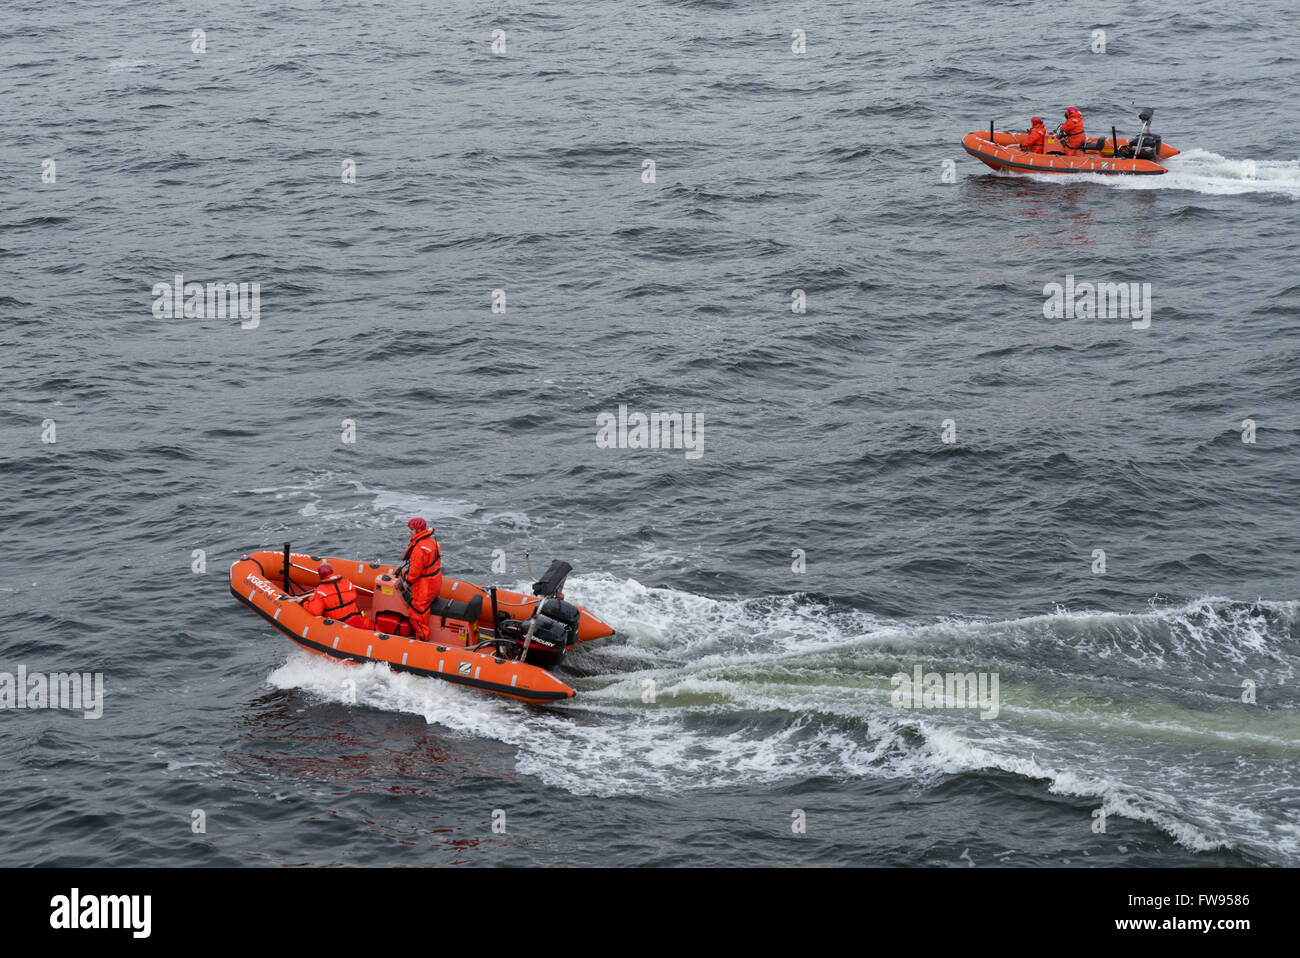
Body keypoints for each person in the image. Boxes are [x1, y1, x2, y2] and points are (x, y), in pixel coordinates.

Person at [399, 517, 442, 641]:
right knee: (427, 606)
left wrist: (407, 582)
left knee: (416, 613)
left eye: (411, 529)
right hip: (436, 580)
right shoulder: (431, 540)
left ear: (418, 530)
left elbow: (415, 572)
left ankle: (422, 639)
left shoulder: (418, 549)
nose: (409, 532)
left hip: (425, 585)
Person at [302, 562, 374, 629]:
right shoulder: (347, 583)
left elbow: (315, 612)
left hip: (340, 624)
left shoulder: (320, 591)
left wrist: (302, 602)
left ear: (320, 575)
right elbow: (353, 598)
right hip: (357, 619)